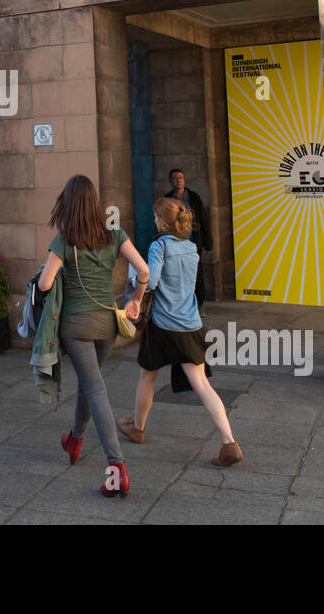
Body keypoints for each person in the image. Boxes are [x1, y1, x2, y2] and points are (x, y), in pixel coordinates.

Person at [36, 174, 150, 498]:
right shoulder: (114, 234)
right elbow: (144, 271)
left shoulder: (64, 239)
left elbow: (44, 285)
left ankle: (117, 468)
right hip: (107, 326)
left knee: (96, 391)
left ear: (68, 204)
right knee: (91, 385)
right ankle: (74, 438)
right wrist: (136, 300)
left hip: (76, 327)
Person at [119, 197, 242, 467]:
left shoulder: (159, 245)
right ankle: (229, 441)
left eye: (155, 216)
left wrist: (134, 282)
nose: (153, 220)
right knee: (202, 384)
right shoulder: (190, 248)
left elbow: (149, 281)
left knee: (147, 375)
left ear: (163, 221)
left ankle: (138, 429)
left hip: (164, 325)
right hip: (190, 324)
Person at [165, 168, 212, 306]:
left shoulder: (193, 197)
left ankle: (199, 303)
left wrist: (207, 240)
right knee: (178, 274)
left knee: (197, 273)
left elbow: (203, 218)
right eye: (175, 178)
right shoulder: (168, 198)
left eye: (181, 177)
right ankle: (183, 303)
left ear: (184, 180)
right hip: (175, 242)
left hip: (193, 241)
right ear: (171, 181)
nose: (178, 180)